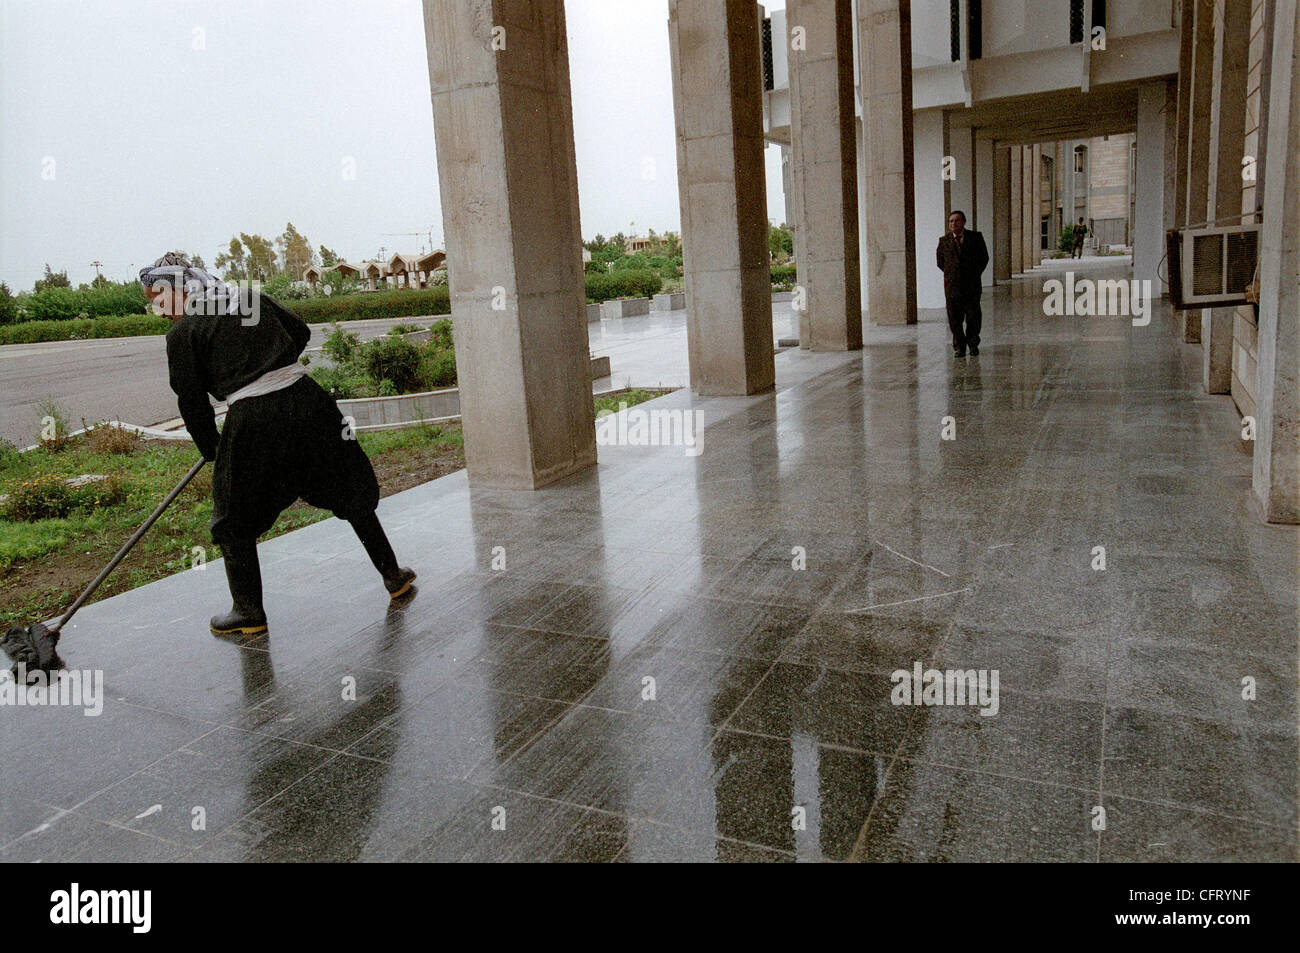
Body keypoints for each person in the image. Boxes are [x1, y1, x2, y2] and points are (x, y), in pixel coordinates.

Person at [139, 253, 415, 635]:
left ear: (180, 289)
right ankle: (393, 575)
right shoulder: (246, 298)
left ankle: (248, 611)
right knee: (348, 489)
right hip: (310, 403)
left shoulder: (183, 333)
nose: (158, 310)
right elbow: (299, 330)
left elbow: (190, 400)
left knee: (232, 518)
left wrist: (212, 447)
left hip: (255, 421)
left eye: (159, 299)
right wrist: (273, 364)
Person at [935, 211, 989, 358]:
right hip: (952, 287)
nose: (954, 224)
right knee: (954, 319)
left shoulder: (975, 238)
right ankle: (959, 346)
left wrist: (973, 273)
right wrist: (953, 274)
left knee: (973, 317)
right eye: (951, 221)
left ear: (964, 222)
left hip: (971, 286)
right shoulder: (944, 241)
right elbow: (940, 262)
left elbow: (984, 258)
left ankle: (973, 344)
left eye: (957, 221)